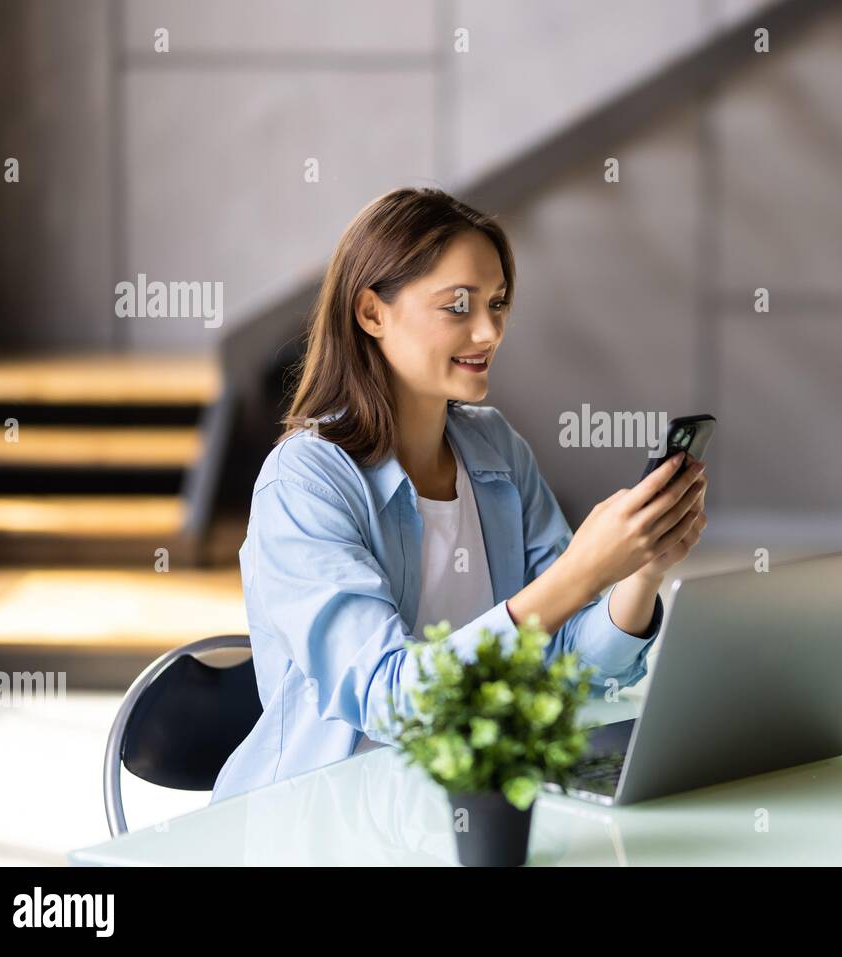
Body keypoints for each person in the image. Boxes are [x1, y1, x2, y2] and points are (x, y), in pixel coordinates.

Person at [211, 188, 707, 802]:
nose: (489, 329)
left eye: (498, 303)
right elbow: (391, 698)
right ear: (372, 313)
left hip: (475, 803)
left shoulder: (495, 449)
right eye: (458, 305)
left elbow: (566, 669)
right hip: (330, 819)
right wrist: (579, 573)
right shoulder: (306, 482)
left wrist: (641, 573)